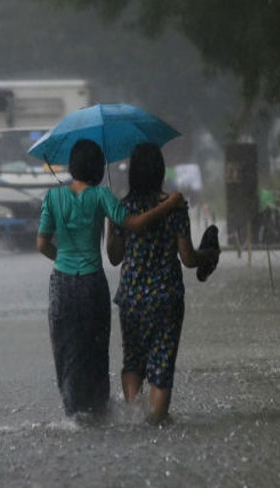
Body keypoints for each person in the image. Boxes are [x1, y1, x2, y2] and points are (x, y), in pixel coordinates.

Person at [37, 139, 185, 420]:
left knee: (66, 349)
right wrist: (171, 204)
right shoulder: (102, 196)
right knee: (95, 350)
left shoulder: (52, 197)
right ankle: (98, 410)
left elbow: (42, 243)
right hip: (92, 284)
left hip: (63, 285)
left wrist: (63, 259)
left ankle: (73, 413)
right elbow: (135, 225)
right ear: (96, 168)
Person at [106, 143, 219, 425]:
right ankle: (156, 421)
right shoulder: (175, 207)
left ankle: (134, 417)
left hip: (131, 298)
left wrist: (113, 224)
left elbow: (114, 257)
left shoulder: (122, 209)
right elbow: (188, 258)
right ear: (159, 172)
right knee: (161, 364)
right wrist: (211, 254)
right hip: (166, 298)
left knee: (133, 361)